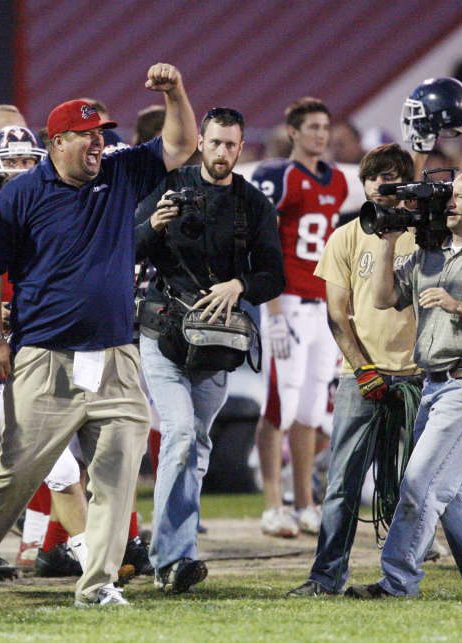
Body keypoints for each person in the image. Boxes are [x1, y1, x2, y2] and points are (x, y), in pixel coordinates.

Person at [0, 62, 197, 608]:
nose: (99, 144)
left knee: (117, 477)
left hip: (117, 357)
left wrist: (175, 93)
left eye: (102, 134)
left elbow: (181, 144)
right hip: (47, 357)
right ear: (57, 142)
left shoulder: (120, 174)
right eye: (87, 135)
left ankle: (98, 583)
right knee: (15, 474)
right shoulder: (21, 194)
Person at [347, 167, 462, 600]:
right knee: (455, 492)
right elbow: (383, 298)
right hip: (433, 386)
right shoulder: (430, 253)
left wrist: (457, 305)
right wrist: (388, 243)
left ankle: (397, 582)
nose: (449, 203)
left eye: (460, 198)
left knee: (420, 484)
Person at [135, 106, 284, 592]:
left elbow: (274, 275)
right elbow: (126, 250)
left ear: (241, 148)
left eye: (231, 145)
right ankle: (170, 557)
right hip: (162, 332)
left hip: (216, 342)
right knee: (179, 434)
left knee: (196, 446)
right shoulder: (166, 186)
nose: (222, 152)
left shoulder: (253, 204)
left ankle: (175, 559)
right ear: (200, 142)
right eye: (215, 142)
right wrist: (153, 225)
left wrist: (239, 285)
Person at [287, 143, 420, 596]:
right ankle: (325, 578)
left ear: (407, 185)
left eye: (391, 176)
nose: (381, 184)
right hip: (360, 376)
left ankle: (440, 571)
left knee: (426, 484)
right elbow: (336, 314)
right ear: (363, 184)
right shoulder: (345, 236)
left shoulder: (426, 235)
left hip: (420, 376)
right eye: (373, 176)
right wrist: (364, 369)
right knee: (342, 482)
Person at [252, 98, 347, 537]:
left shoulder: (336, 180)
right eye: (312, 127)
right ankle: (274, 504)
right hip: (286, 301)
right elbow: (263, 244)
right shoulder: (280, 176)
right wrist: (272, 310)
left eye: (325, 127)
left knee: (310, 409)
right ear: (292, 131)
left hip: (322, 304)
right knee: (280, 405)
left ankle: (305, 501)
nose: (320, 134)